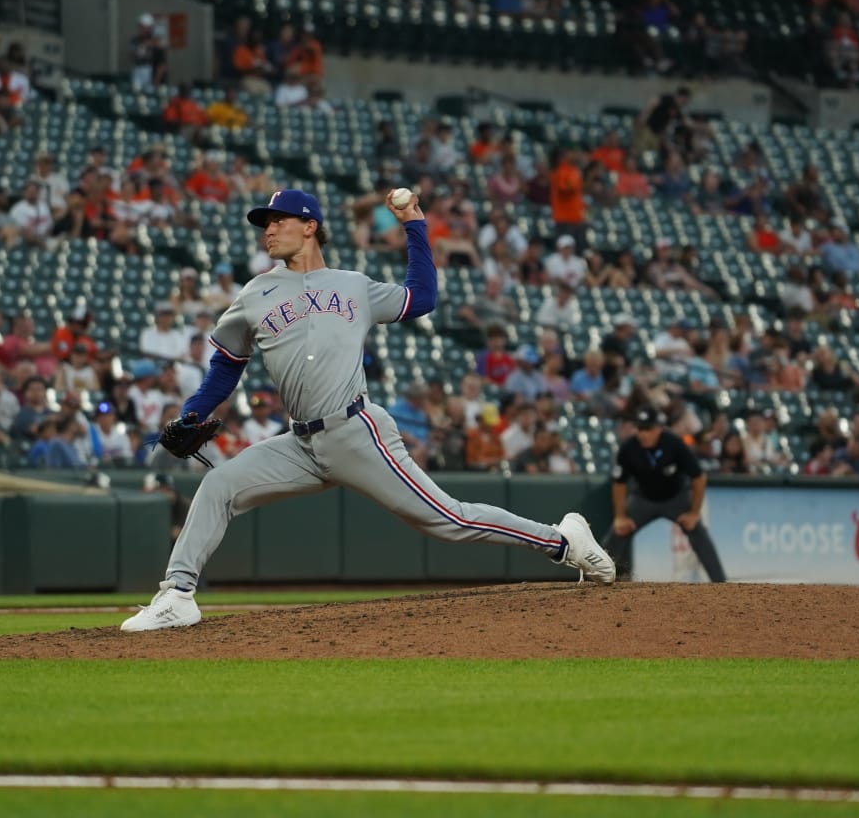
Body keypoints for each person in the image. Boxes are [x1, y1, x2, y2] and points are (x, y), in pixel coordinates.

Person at [120, 188, 614, 632]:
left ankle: (562, 542)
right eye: (264, 223)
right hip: (299, 444)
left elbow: (421, 298)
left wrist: (414, 225)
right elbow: (227, 364)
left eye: (278, 220)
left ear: (309, 225)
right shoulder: (255, 294)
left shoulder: (353, 285)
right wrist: (193, 412)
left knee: (448, 520)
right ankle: (177, 596)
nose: (268, 230)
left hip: (357, 432)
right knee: (219, 486)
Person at [604, 405, 726, 583]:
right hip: (643, 499)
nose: (643, 434)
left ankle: (721, 583)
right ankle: (595, 579)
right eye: (640, 428)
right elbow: (619, 483)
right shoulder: (629, 447)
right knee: (619, 530)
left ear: (658, 428)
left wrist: (694, 513)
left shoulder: (674, 443)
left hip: (675, 498)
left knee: (697, 531)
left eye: (647, 429)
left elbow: (699, 478)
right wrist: (620, 516)